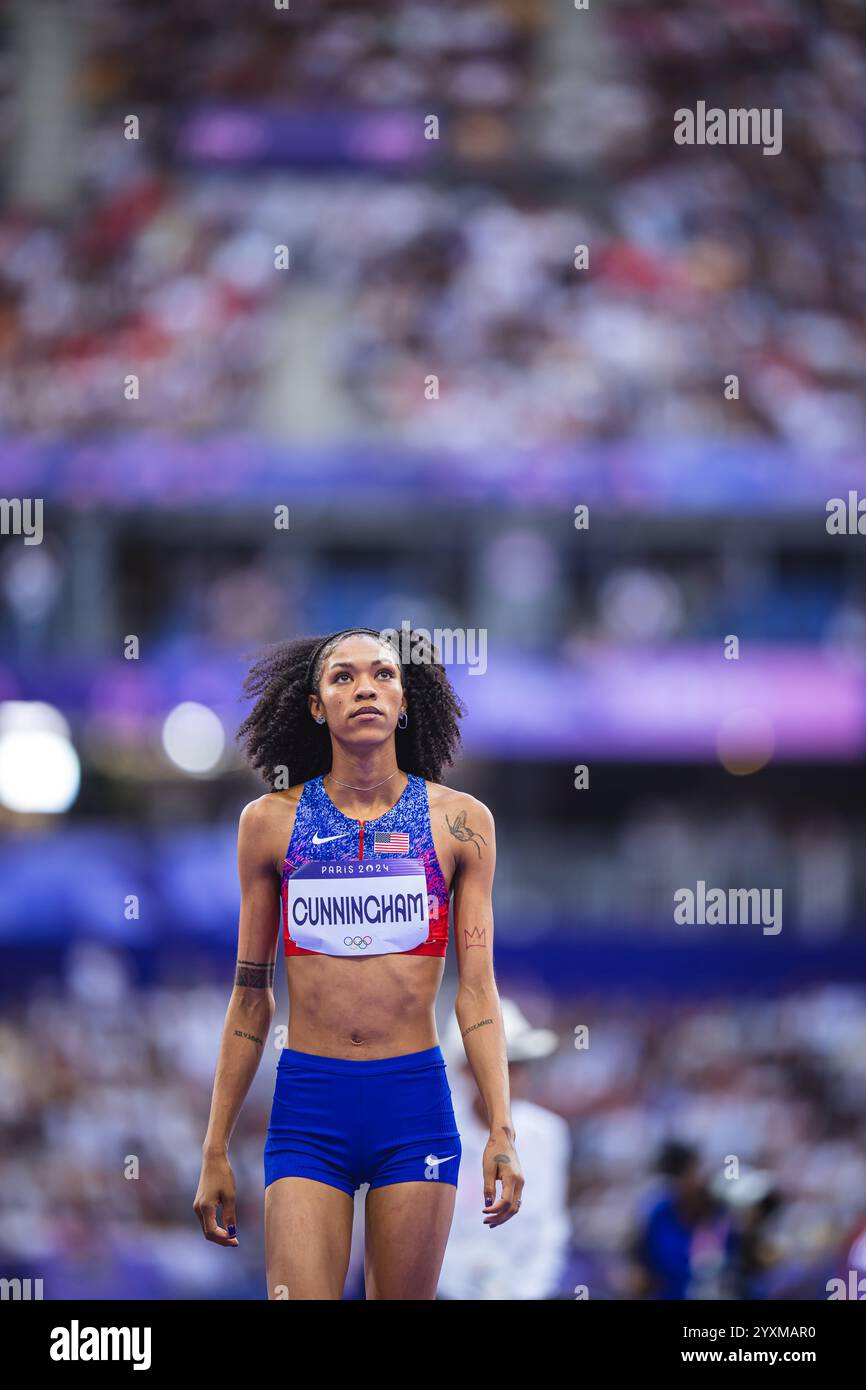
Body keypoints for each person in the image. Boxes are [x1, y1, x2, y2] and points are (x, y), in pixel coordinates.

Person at [193, 625, 524, 1299]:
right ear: (316, 707)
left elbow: (478, 992)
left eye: (382, 674)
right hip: (310, 1107)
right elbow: (251, 996)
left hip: (415, 1106)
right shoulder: (269, 823)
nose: (365, 687)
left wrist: (502, 1130)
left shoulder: (460, 823)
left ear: (405, 700)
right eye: (343, 677)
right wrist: (215, 1145)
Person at [437, 999, 572, 1300]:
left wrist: (528, 1293)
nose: (519, 1076)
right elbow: (423, 1233)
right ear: (466, 1071)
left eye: (521, 1065)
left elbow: (548, 1230)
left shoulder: (548, 1134)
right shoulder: (435, 1138)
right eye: (508, 1065)